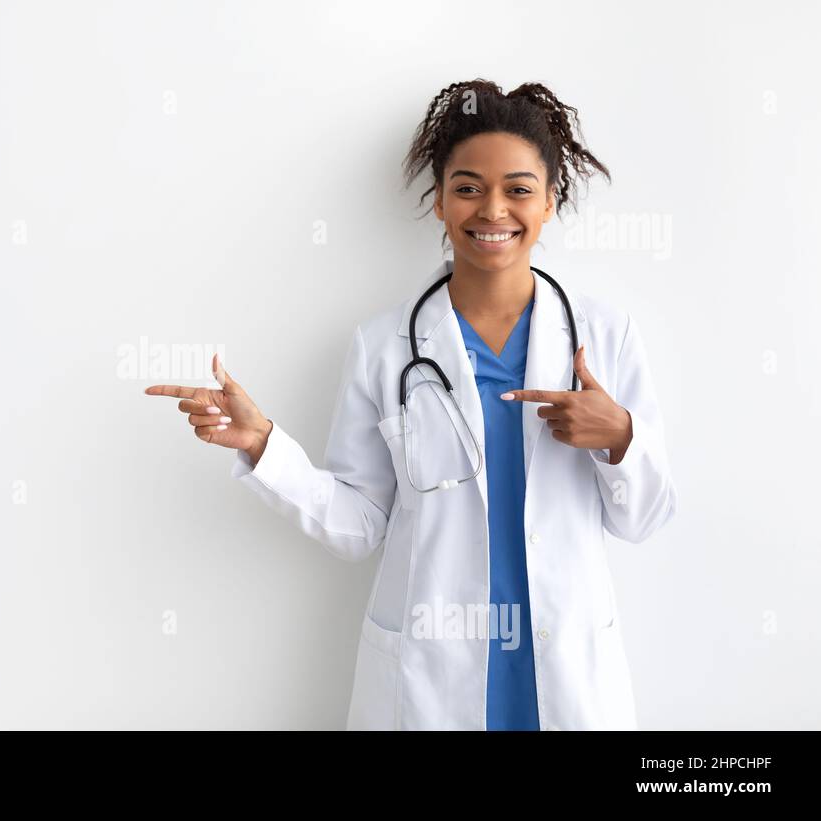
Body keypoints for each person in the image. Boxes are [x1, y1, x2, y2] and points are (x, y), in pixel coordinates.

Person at [145, 79, 677, 730]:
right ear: (440, 202)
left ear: (549, 200)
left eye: (518, 189)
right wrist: (264, 447)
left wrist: (621, 436)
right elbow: (360, 523)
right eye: (468, 187)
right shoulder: (383, 345)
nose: (493, 209)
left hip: (565, 675)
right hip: (432, 681)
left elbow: (643, 519)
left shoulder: (606, 335)